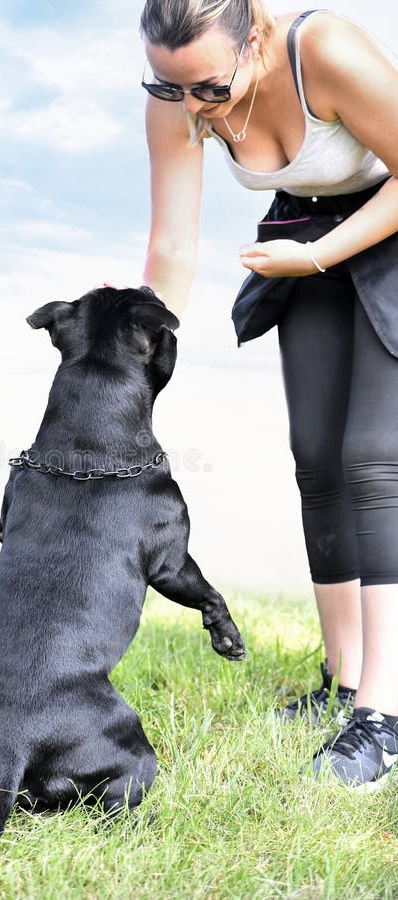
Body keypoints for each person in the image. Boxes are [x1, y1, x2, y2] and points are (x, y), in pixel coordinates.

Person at [139, 0, 398, 790]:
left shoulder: (324, 50)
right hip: (303, 238)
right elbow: (172, 244)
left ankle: (385, 717)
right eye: (169, 86)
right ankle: (343, 681)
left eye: (209, 89)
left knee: (374, 459)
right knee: (316, 459)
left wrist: (321, 256)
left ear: (253, 39)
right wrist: (135, 363)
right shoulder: (178, 93)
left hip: (382, 227)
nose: (192, 107)